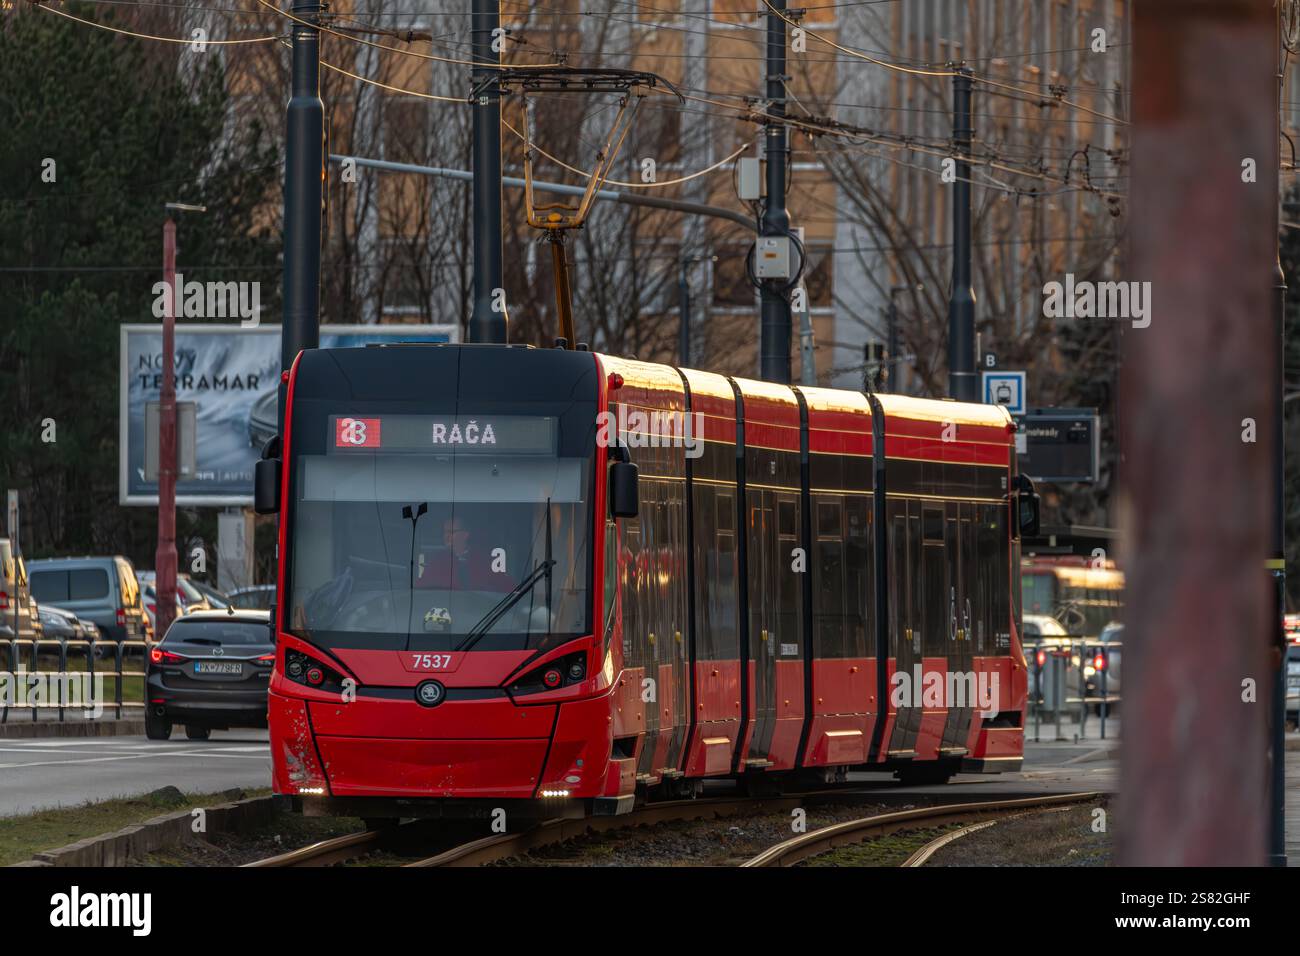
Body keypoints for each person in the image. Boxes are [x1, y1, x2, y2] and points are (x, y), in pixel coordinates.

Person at [415, 516, 516, 593]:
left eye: (452, 532)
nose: (447, 536)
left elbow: (507, 589)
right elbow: (420, 590)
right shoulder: (437, 561)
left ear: (465, 534)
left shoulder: (486, 560)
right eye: (445, 532)